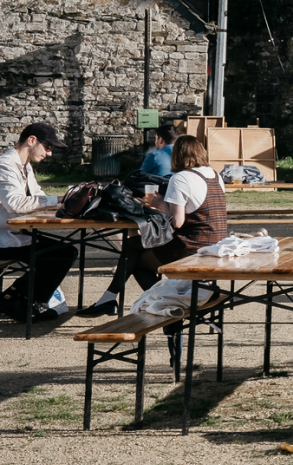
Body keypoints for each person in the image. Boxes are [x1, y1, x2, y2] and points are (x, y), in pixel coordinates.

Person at [99, 135, 229, 343]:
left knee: (137, 262)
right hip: (214, 243)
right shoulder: (214, 175)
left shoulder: (180, 178)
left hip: (190, 245)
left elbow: (177, 222)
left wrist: (160, 204)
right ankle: (108, 298)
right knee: (134, 246)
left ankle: (162, 309)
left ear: (177, 155)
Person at [1, 122, 75, 320]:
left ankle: (18, 297)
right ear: (31, 140)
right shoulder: (5, 165)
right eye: (48, 147)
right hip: (4, 237)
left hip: (16, 233)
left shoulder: (25, 166)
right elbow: (16, 203)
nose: (49, 153)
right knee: (61, 254)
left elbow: (37, 195)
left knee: (63, 252)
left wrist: (64, 205)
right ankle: (26, 302)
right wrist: (57, 201)